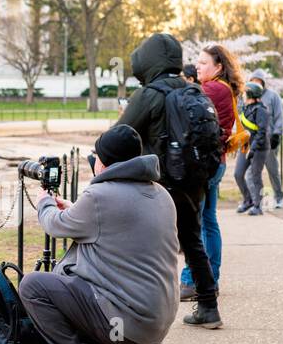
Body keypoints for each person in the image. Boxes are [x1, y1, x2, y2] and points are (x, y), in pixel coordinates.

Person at [20, 124, 180, 344]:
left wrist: (44, 202)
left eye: (96, 157)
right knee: (86, 284)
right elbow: (119, 228)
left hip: (123, 324)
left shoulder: (100, 196)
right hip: (155, 321)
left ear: (104, 164)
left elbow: (55, 225)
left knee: (33, 285)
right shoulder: (161, 193)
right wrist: (74, 209)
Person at [116, 33, 222, 327]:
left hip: (158, 185)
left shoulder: (149, 94)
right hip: (191, 181)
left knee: (144, 248)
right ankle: (209, 306)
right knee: (192, 242)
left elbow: (119, 134)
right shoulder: (192, 91)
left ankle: (141, 313)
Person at [178, 44, 243, 303]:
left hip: (206, 164)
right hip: (216, 161)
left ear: (218, 67)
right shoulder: (222, 88)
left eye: (203, 63)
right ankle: (210, 279)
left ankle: (192, 280)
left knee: (195, 225)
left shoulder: (213, 89)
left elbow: (183, 104)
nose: (197, 66)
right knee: (208, 221)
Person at [249, 71, 283, 208]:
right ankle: (256, 199)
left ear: (263, 82)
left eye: (258, 81)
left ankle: (279, 196)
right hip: (254, 140)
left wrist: (277, 134)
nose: (256, 83)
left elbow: (279, 116)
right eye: (253, 81)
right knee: (252, 172)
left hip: (269, 140)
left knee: (273, 170)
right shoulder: (249, 96)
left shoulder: (272, 96)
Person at [234, 81, 271, 215]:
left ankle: (258, 205)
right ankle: (248, 200)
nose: (243, 95)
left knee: (254, 176)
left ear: (250, 94)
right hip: (245, 147)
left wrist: (253, 149)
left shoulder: (261, 110)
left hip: (259, 149)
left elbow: (261, 133)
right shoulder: (246, 108)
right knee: (238, 174)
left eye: (244, 92)